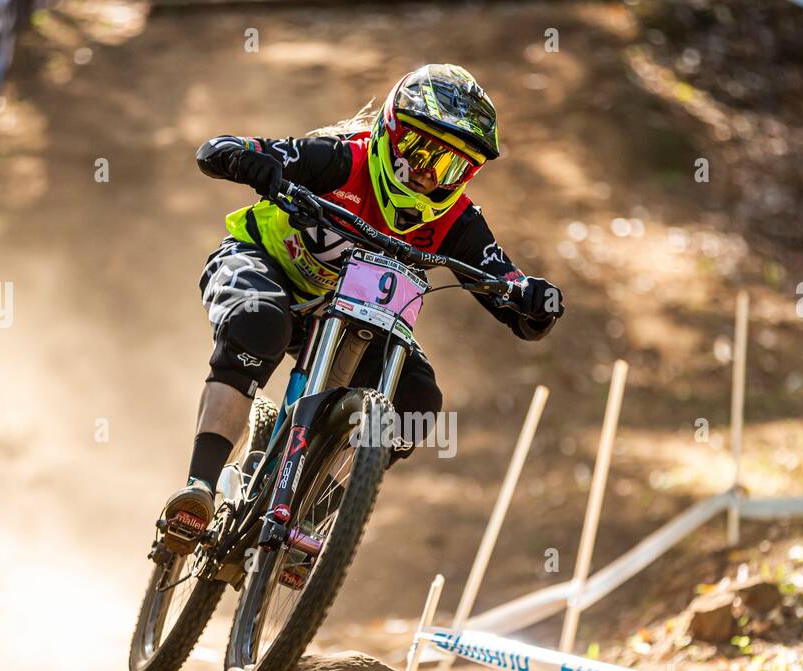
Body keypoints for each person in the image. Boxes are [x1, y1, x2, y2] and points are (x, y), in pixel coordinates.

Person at [163, 63, 564, 546]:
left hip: (345, 316)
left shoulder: (458, 221)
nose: (428, 174)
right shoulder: (340, 160)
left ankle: (315, 510)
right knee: (260, 324)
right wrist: (246, 159)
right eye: (422, 150)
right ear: (392, 133)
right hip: (262, 267)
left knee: (417, 403)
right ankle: (198, 490)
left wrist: (533, 300)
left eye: (450, 166)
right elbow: (221, 150)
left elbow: (509, 286)